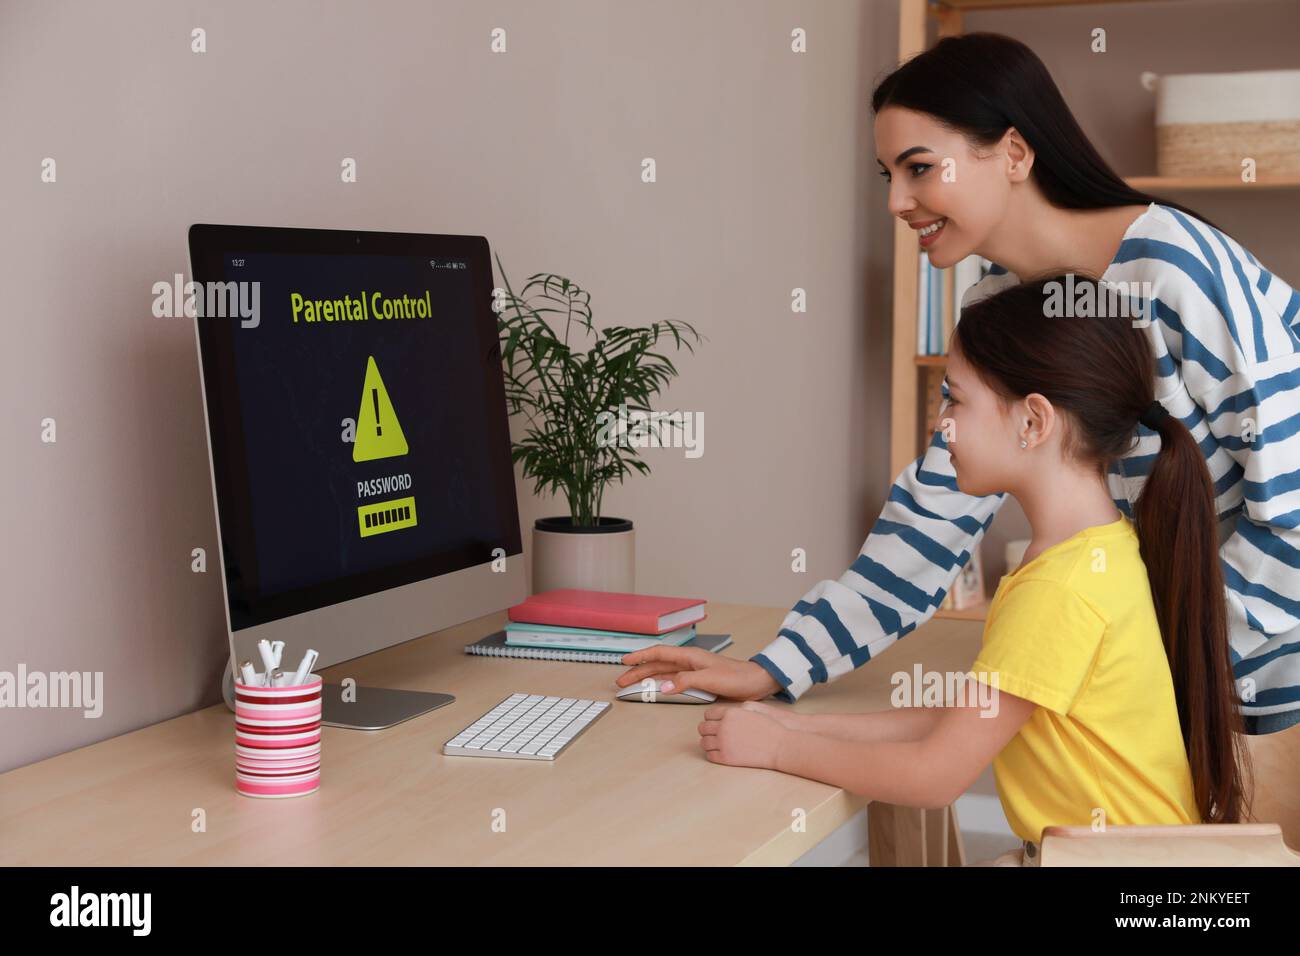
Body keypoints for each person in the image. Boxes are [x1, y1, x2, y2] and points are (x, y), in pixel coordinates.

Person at [616, 32, 1300, 737]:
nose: (897, 202)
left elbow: (1295, 507)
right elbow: (933, 515)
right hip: (1170, 695)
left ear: (1012, 152)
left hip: (1265, 693)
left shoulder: (1175, 272)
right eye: (888, 175)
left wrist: (1174, 663)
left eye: (919, 168)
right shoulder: (992, 308)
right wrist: (777, 668)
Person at [664, 275, 1253, 863]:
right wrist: (793, 729)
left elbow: (933, 776)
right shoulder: (1099, 551)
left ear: (1033, 422)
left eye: (955, 399)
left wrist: (777, 752)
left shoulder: (1059, 588)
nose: (941, 425)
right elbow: (971, 721)